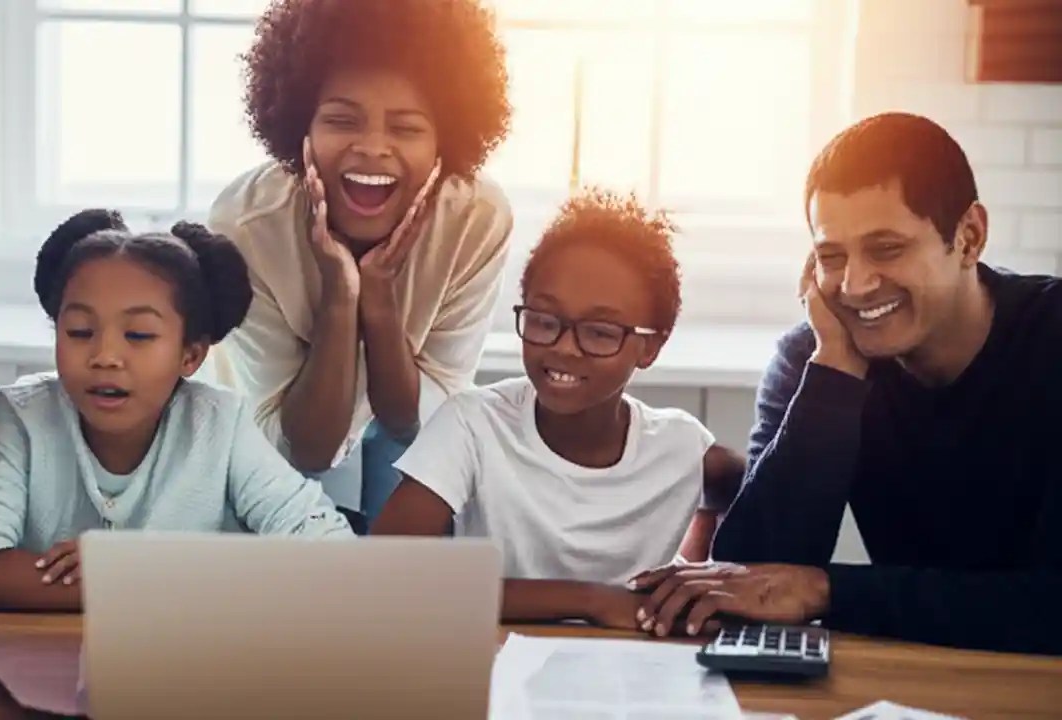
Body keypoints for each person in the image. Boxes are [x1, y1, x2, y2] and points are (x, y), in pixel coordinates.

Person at [632, 113, 1062, 656]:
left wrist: (826, 589)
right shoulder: (814, 357)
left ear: (969, 237)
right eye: (831, 256)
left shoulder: (1051, 341)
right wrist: (836, 369)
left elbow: (1050, 606)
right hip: (915, 675)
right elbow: (751, 577)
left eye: (886, 249)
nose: (855, 286)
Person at [372, 190, 744, 629]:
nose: (564, 349)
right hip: (500, 673)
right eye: (545, 321)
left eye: (600, 332)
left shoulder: (682, 448)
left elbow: (736, 487)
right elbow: (385, 573)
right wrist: (591, 600)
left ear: (651, 347)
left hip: (633, 678)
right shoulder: (475, 424)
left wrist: (689, 572)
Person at [207, 0, 514, 526]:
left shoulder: (475, 220)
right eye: (341, 120)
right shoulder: (247, 225)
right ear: (299, 126)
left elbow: (414, 426)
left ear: (445, 138)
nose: (373, 148)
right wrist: (340, 297)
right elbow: (303, 451)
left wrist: (381, 301)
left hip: (404, 441)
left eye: (407, 127)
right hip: (270, 452)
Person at [0, 210, 353, 613]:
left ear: (190, 355)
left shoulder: (218, 422)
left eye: (139, 335)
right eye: (80, 331)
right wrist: (142, 582)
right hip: (45, 662)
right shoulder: (23, 416)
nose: (105, 356)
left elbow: (328, 546)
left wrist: (134, 569)